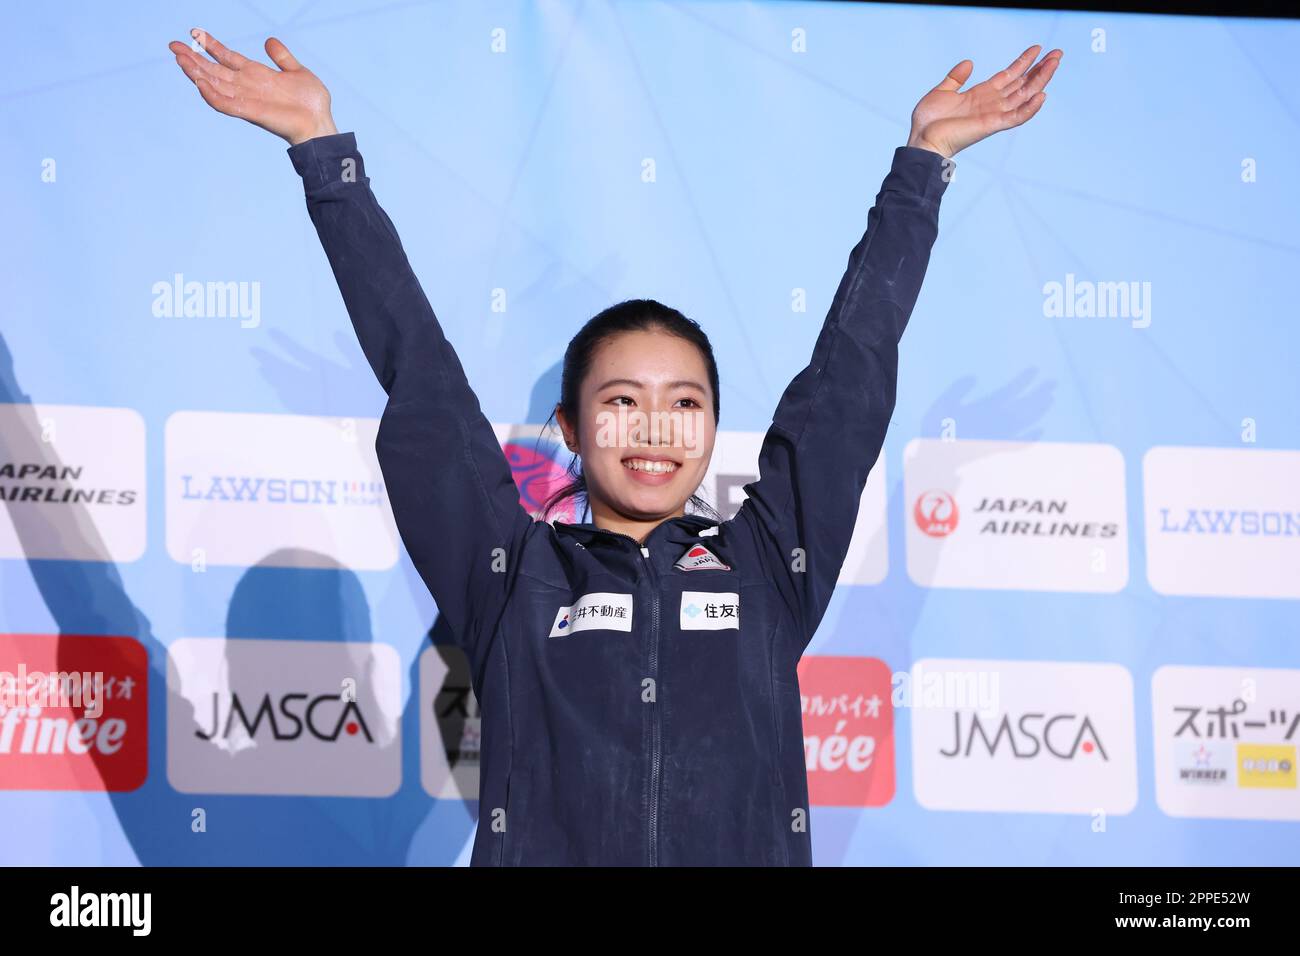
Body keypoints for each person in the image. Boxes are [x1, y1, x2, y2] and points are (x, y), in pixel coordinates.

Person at [169, 28, 1061, 866]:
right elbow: (426, 385)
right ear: (569, 428)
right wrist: (325, 157)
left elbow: (846, 388)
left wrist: (923, 168)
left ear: (712, 428)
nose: (654, 428)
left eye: (684, 403)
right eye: (622, 401)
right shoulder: (510, 574)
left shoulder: (768, 567)